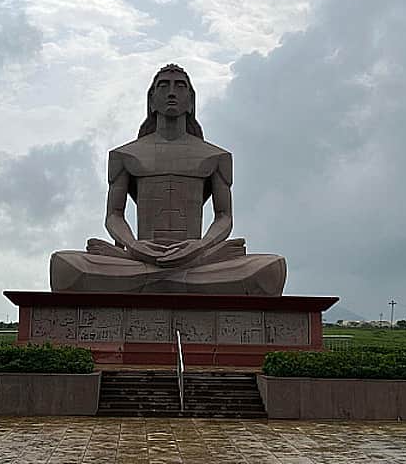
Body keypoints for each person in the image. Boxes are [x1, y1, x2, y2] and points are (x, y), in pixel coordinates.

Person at [50, 64, 286, 295]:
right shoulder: (125, 155)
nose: (172, 92)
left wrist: (200, 246)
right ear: (152, 100)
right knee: (65, 265)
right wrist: (134, 246)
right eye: (164, 86)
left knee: (271, 268)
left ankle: (156, 281)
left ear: (191, 101)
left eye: (180, 86)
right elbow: (114, 215)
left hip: (197, 260)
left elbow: (224, 217)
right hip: (139, 258)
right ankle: (175, 281)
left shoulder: (215, 156)